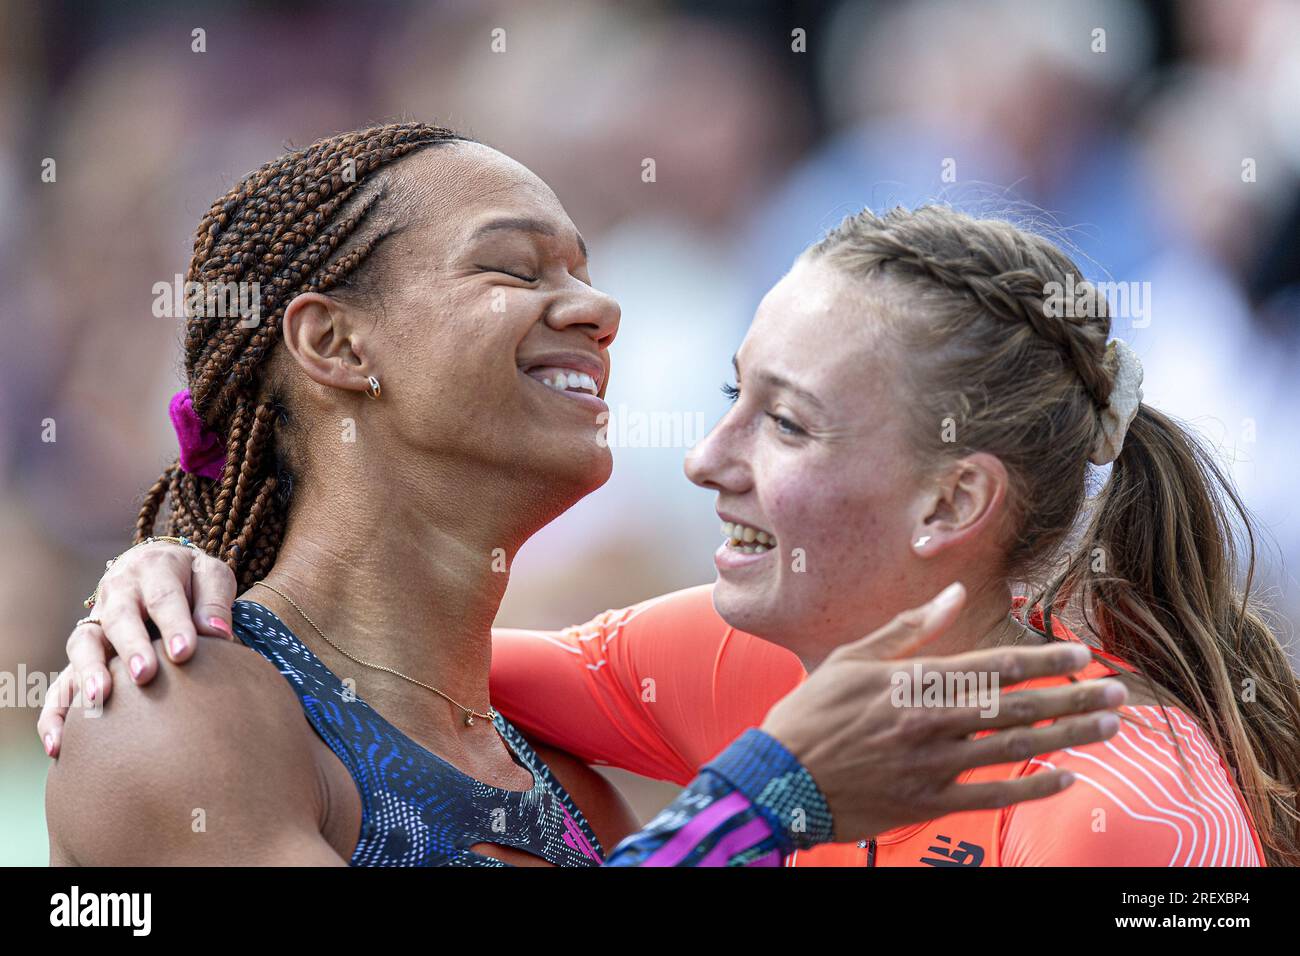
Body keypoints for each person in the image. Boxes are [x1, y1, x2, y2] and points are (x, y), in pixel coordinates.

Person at [40, 125, 1119, 867]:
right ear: (333, 341)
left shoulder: (557, 773)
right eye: (517, 270)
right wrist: (761, 804)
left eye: (586, 269)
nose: (597, 307)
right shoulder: (175, 711)